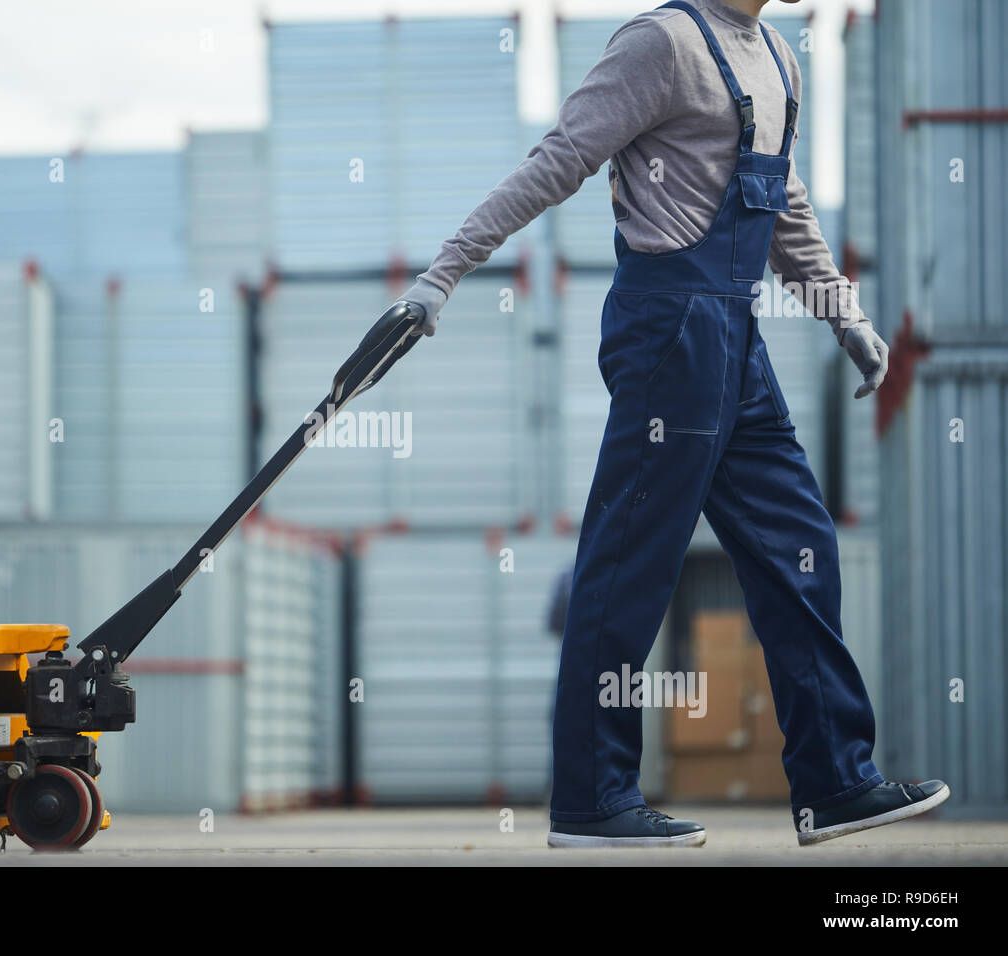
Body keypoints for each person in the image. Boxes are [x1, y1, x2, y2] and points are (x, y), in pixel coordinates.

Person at [393, 0, 947, 847]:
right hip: (670, 334)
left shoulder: (777, 57)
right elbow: (561, 157)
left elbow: (786, 206)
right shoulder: (660, 44)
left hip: (737, 334)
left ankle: (835, 782)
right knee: (630, 566)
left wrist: (846, 317)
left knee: (801, 546)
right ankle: (592, 799)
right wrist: (443, 272)